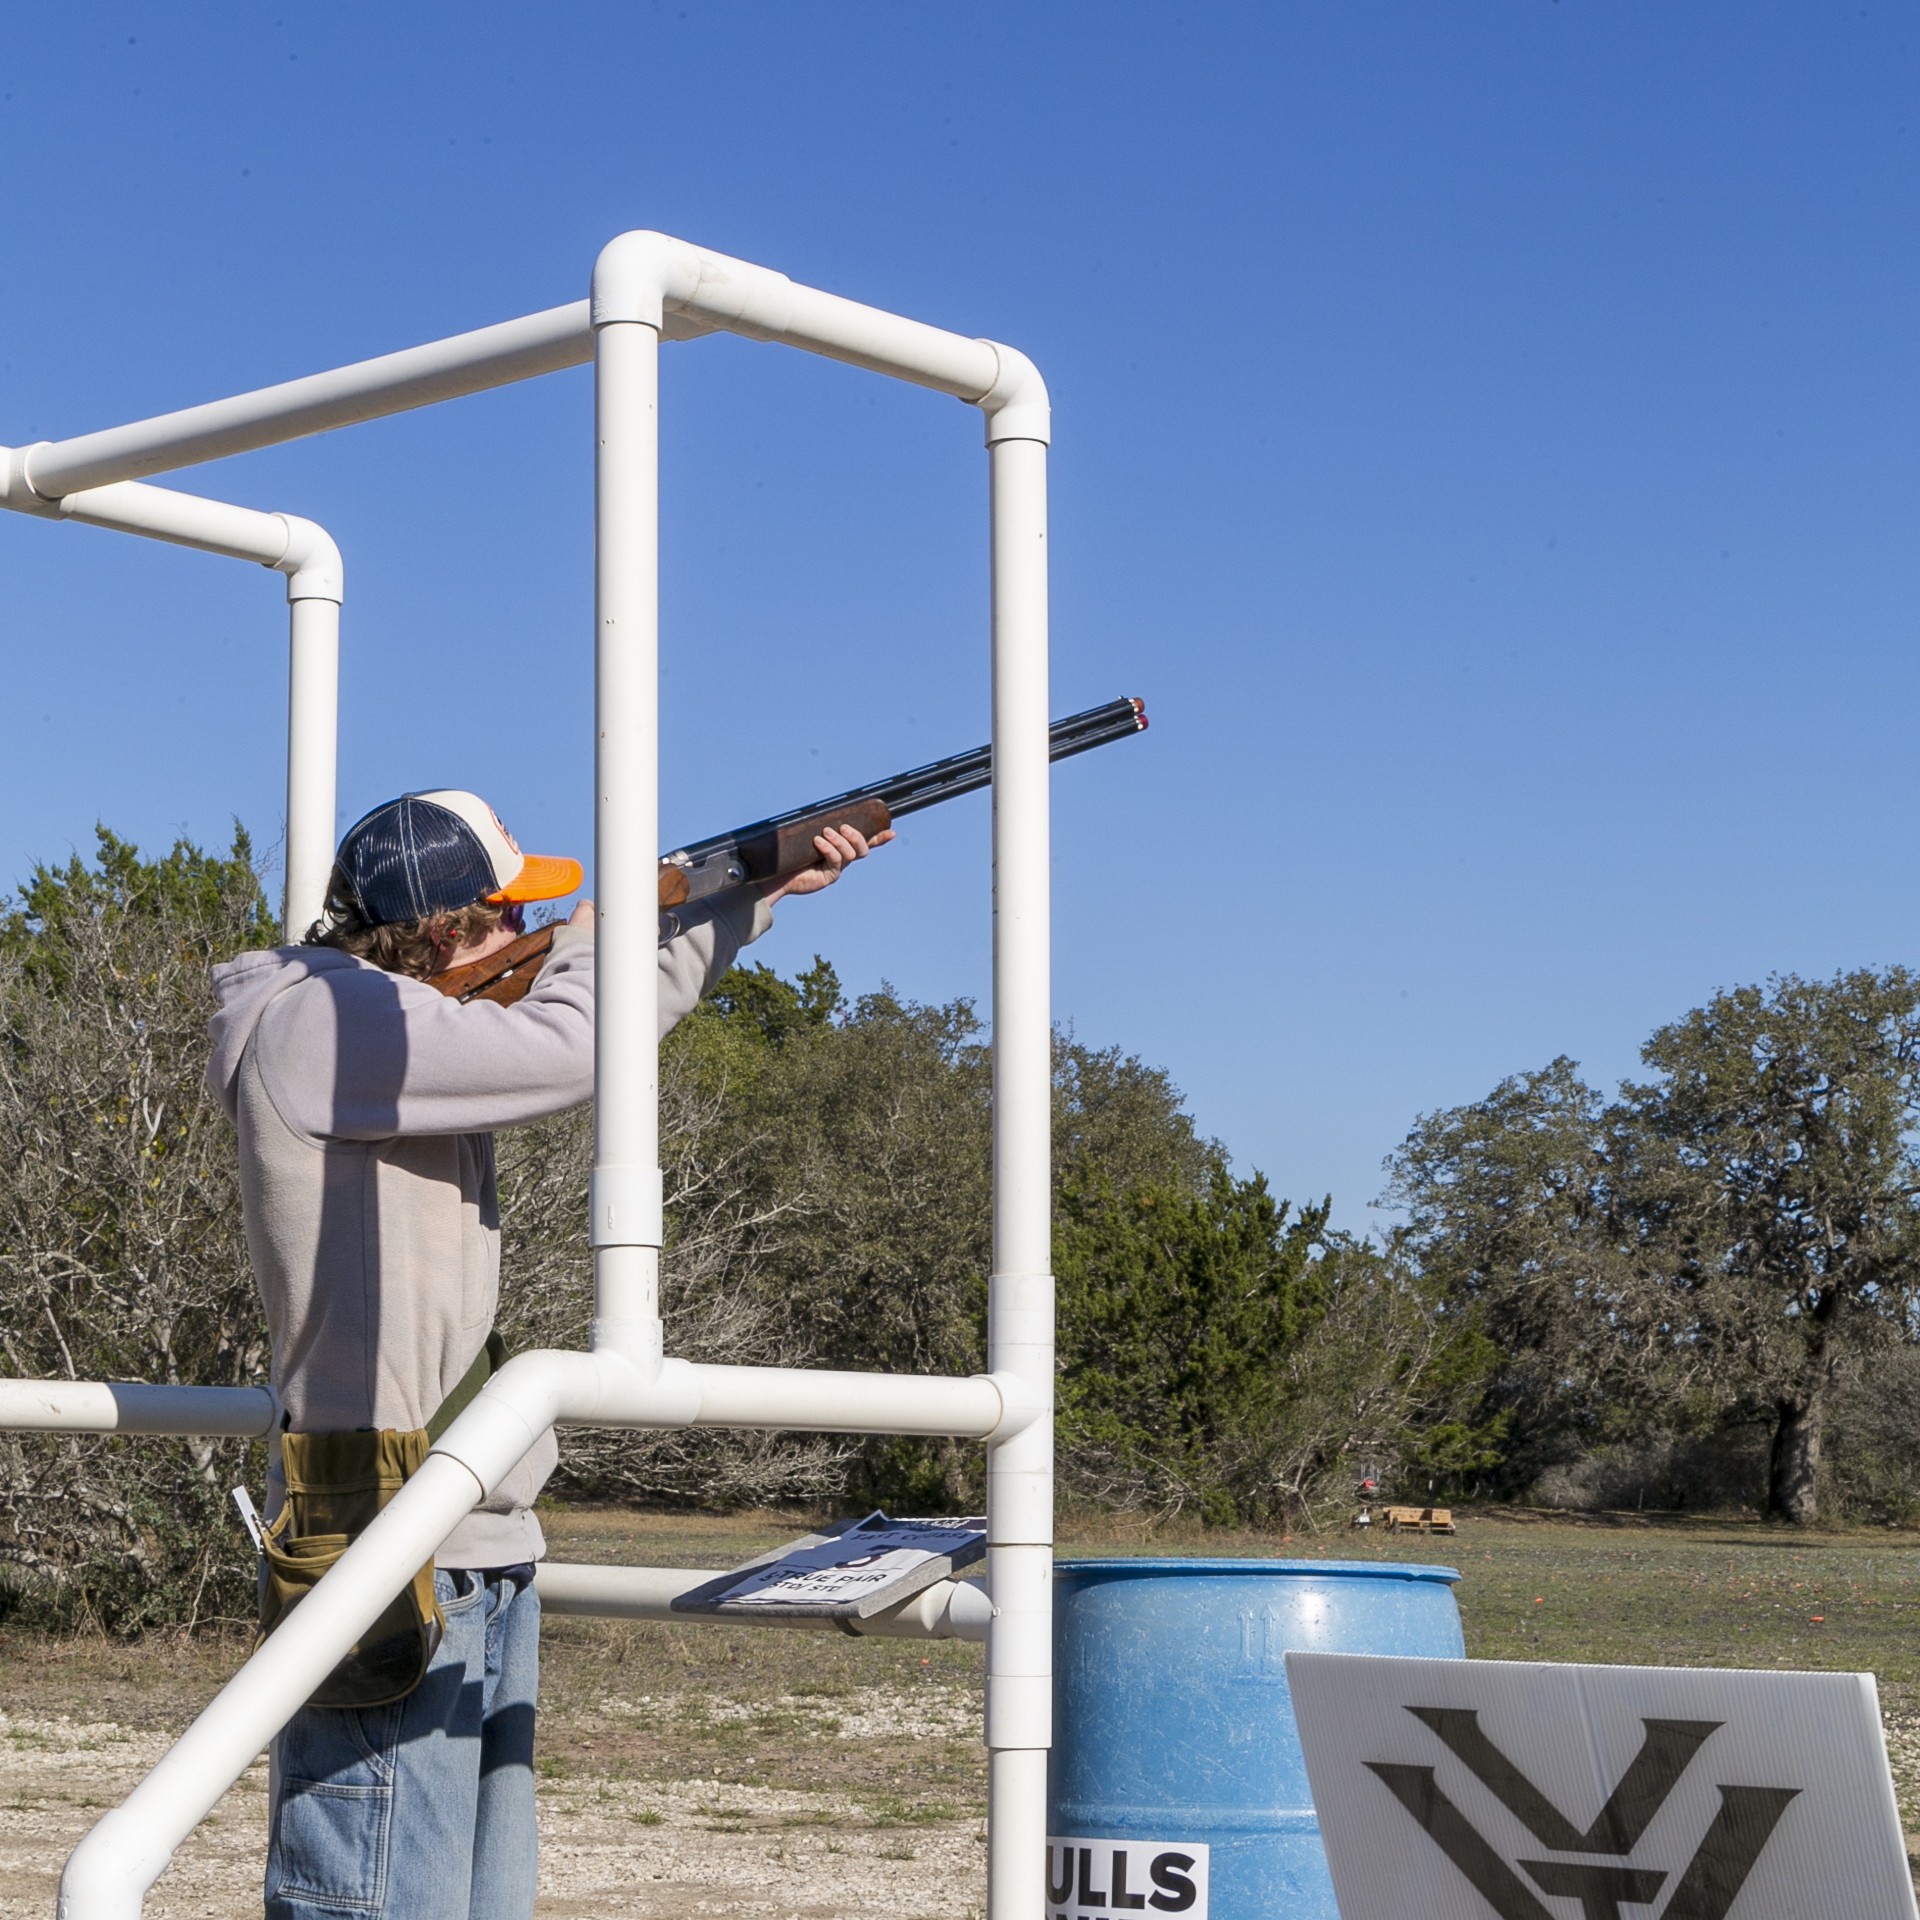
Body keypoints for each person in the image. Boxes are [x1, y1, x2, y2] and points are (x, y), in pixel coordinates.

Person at [206, 787, 886, 1920]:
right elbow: (575, 1046)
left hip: (468, 1525)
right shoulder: (327, 1021)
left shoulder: (400, 1023)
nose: (528, 936)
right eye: (505, 917)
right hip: (386, 1525)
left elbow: (573, 1031)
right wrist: (623, 928)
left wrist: (739, 897)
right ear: (440, 928)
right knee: (378, 1899)